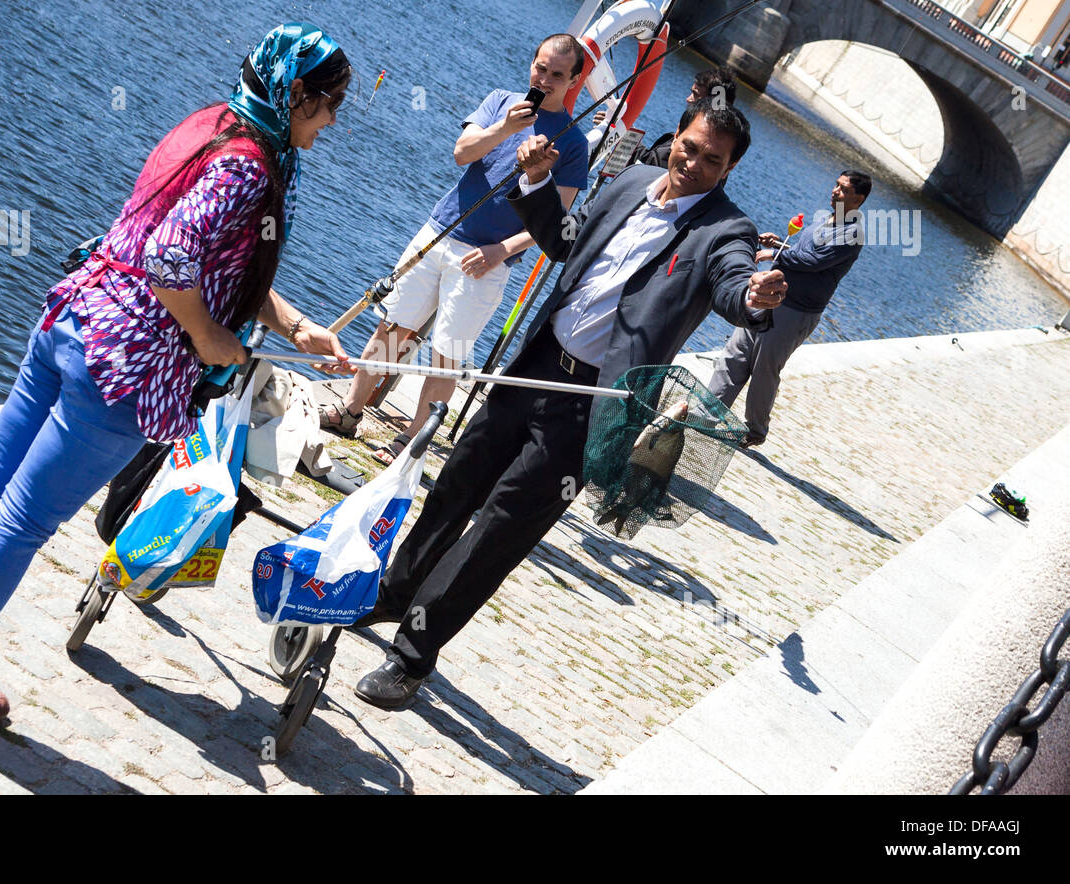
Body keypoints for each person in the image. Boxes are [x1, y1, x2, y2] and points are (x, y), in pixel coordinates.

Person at [0, 23, 354, 722]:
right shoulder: (252, 169)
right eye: (329, 105)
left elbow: (211, 254)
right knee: (23, 519)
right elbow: (173, 256)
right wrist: (206, 336)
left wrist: (293, 326)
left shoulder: (216, 124)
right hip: (124, 368)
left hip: (74, 318)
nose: (330, 122)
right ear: (296, 93)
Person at [352, 98, 788, 708]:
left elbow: (734, 286)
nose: (693, 163)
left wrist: (757, 299)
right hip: (534, 368)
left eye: (712, 160)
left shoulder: (726, 232)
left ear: (728, 169)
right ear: (680, 137)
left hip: (587, 405)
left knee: (501, 527)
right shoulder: (634, 181)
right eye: (690, 147)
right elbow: (563, 242)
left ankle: (412, 655)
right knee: (456, 483)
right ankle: (394, 593)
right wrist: (534, 180)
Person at [319, 34, 590, 463]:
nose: (546, 79)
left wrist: (502, 251)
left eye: (558, 74)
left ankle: (411, 441)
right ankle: (350, 409)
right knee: (393, 328)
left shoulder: (574, 143)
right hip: (440, 231)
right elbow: (462, 153)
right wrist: (506, 128)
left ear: (574, 80)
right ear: (532, 64)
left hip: (486, 260)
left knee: (447, 352)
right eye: (541, 68)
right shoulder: (501, 101)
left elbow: (559, 220)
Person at [706, 170, 872, 448]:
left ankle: (755, 430)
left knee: (763, 370)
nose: (835, 191)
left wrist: (776, 253)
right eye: (835, 185)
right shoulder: (825, 219)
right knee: (734, 355)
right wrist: (780, 244)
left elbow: (812, 261)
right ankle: (706, 413)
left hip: (796, 310)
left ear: (859, 198)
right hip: (768, 295)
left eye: (843, 189)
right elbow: (802, 251)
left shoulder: (852, 233)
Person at [593, 66, 736, 168]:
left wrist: (623, 131)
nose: (688, 99)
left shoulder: (695, 146)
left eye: (696, 95)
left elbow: (648, 167)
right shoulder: (720, 152)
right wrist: (621, 130)